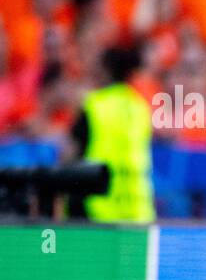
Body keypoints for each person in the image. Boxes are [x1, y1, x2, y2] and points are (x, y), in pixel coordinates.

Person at [66, 46, 156, 224]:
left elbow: (71, 153)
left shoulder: (94, 104)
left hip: (95, 203)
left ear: (106, 70)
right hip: (136, 208)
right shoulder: (140, 106)